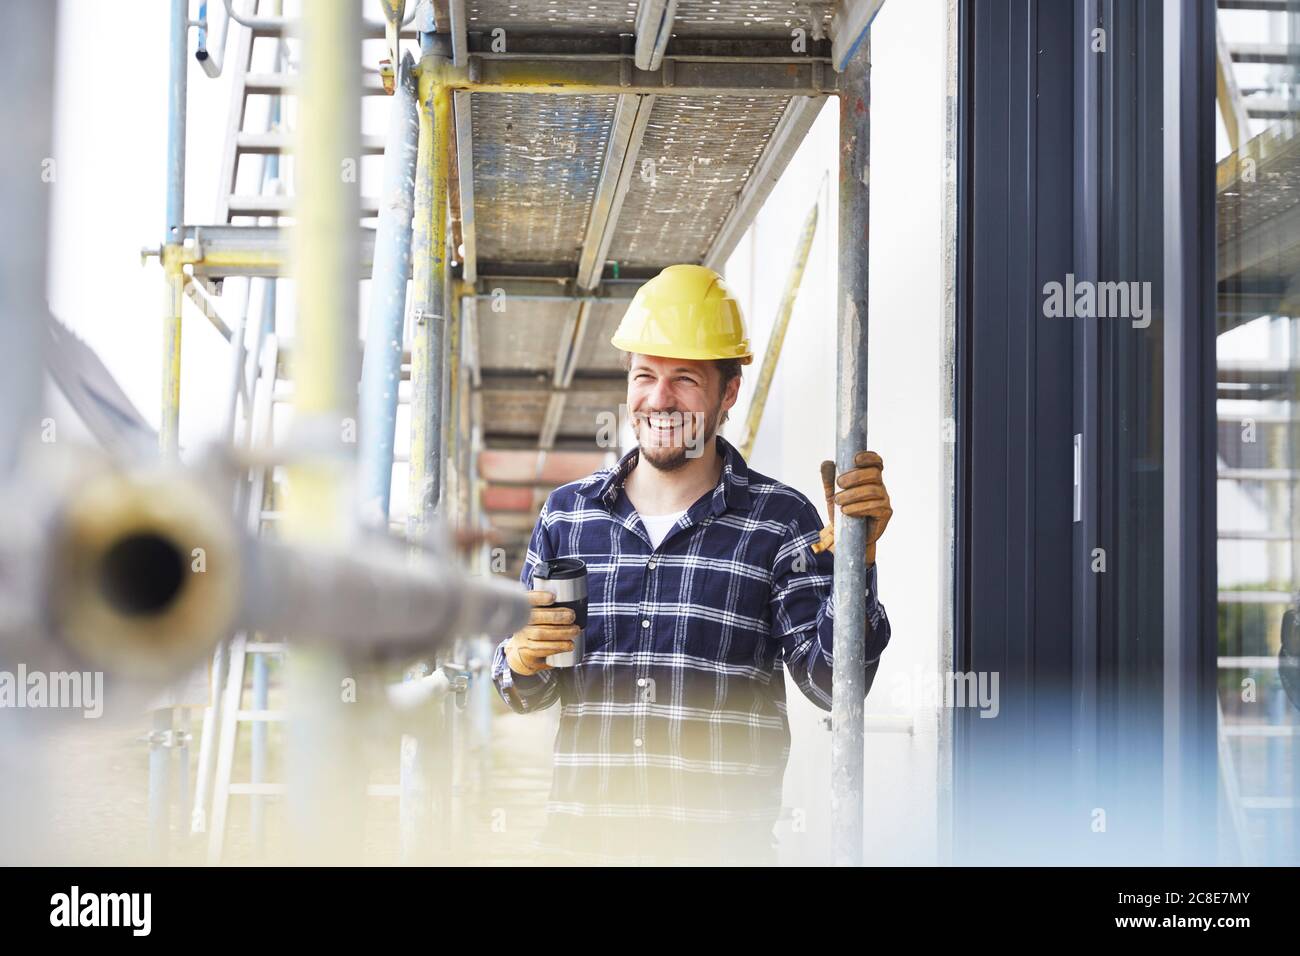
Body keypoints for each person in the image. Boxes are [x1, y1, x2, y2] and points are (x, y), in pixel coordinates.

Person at [491, 264, 893, 864]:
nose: (659, 399)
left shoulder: (780, 521)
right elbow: (527, 692)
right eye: (645, 375)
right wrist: (518, 657)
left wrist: (855, 566)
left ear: (728, 392)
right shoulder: (567, 515)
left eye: (684, 379)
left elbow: (835, 685)